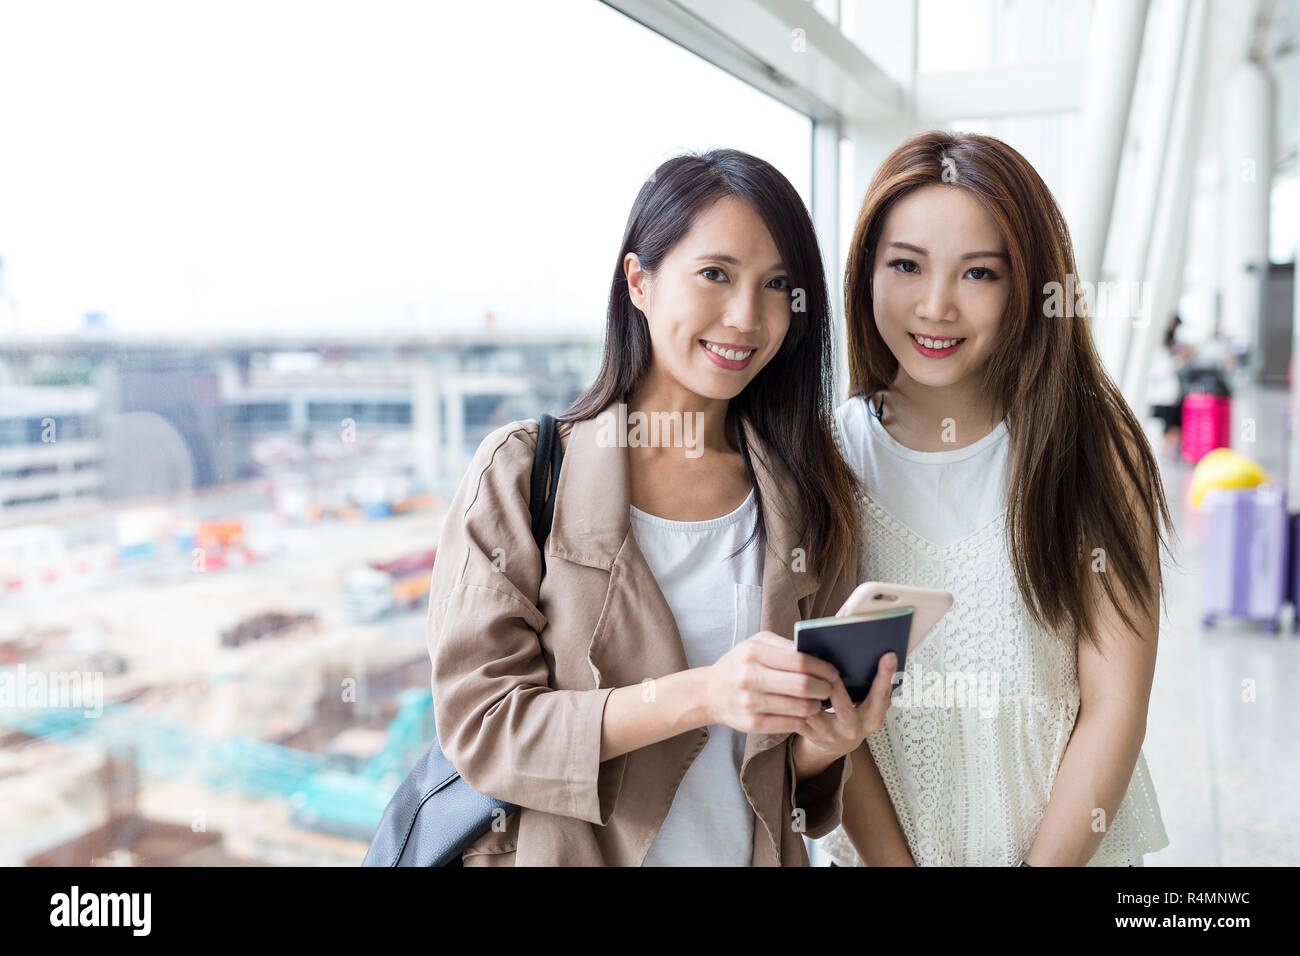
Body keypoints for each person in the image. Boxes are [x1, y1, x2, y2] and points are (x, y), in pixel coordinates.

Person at [427, 148, 898, 866]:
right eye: (715, 274)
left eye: (777, 285)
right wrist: (705, 694)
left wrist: (823, 745)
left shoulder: (811, 496)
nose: (746, 316)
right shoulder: (523, 473)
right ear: (639, 280)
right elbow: (486, 728)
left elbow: (788, 783)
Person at [819, 131, 1173, 867]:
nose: (936, 306)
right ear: (864, 276)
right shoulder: (824, 462)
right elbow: (833, 717)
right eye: (906, 265)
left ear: (1029, 287)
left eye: (978, 273)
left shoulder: (1093, 449)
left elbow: (1115, 704)